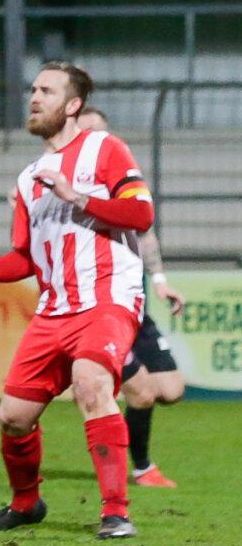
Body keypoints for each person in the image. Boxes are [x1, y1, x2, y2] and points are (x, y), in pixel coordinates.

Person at [0, 62, 154, 540]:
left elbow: (141, 213)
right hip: (54, 310)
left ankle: (116, 512)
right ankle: (25, 504)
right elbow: (25, 260)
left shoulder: (105, 149)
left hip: (107, 299)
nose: (34, 98)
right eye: (33, 89)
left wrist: (76, 196)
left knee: (91, 383)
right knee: (13, 418)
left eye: (47, 91)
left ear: (72, 104)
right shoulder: (27, 179)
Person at [75, 106, 186, 488]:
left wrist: (158, 279)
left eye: (103, 133)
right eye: (89, 133)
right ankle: (141, 468)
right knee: (141, 392)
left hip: (133, 306)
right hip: (99, 311)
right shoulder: (66, 190)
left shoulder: (120, 182)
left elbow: (144, 230)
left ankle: (104, 418)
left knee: (170, 390)